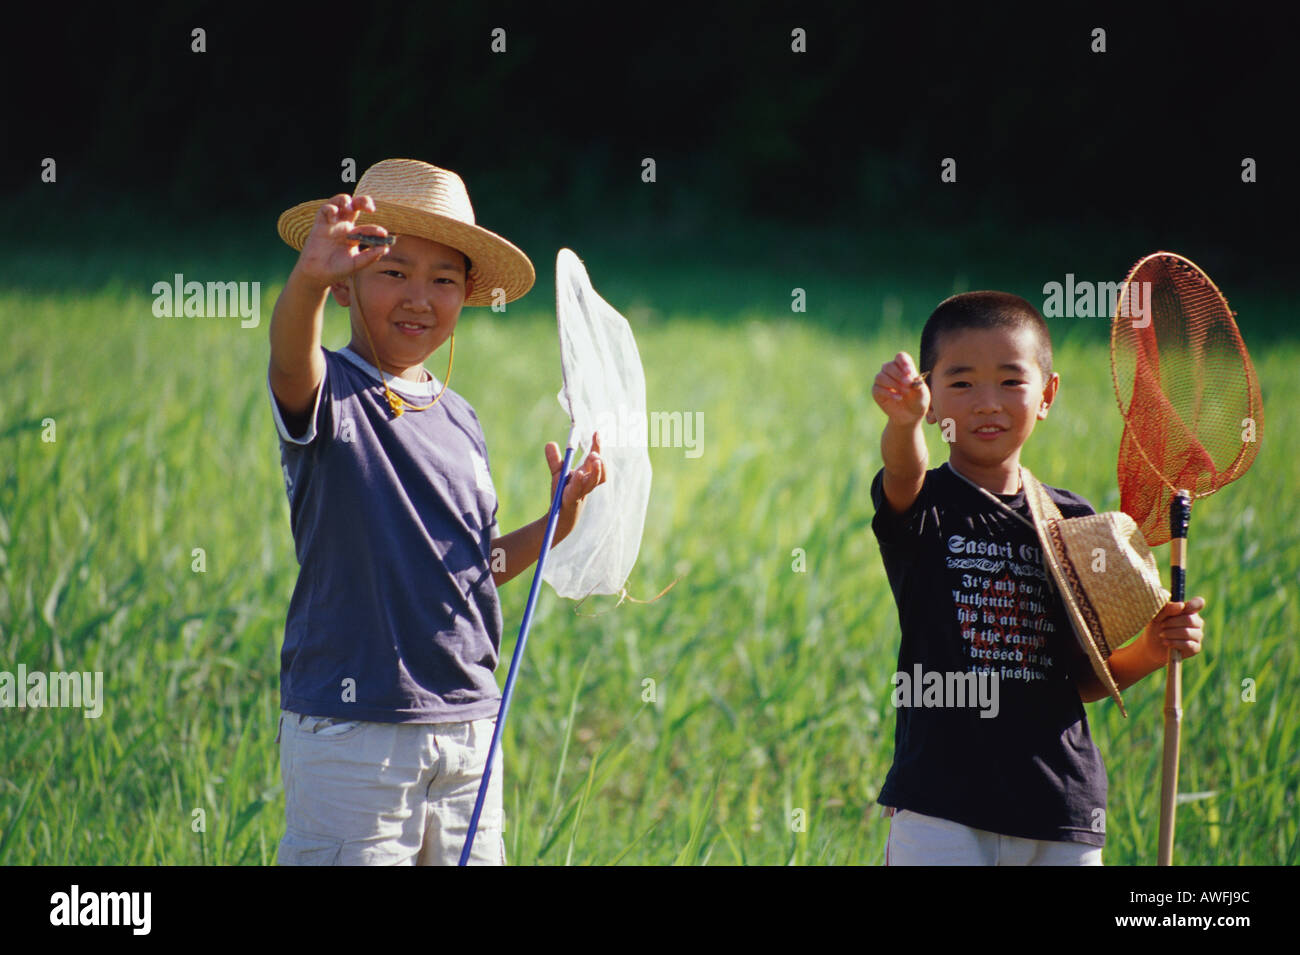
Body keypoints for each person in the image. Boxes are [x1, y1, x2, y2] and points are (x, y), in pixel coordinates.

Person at [266, 158, 606, 865]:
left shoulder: (462, 421)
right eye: (394, 270)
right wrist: (306, 283)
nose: (419, 296)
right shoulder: (331, 393)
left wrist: (556, 522)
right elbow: (289, 359)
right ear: (349, 279)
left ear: (467, 296)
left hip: (468, 730)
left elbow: (470, 571)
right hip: (355, 733)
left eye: (444, 279)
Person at [870, 290, 1207, 865]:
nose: (985, 403)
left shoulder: (1072, 524)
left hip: (1061, 808)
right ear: (929, 400)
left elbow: (1078, 680)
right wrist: (902, 426)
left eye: (1009, 381)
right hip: (941, 807)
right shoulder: (925, 506)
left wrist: (1151, 651)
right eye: (961, 383)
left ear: (1047, 395)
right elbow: (904, 470)